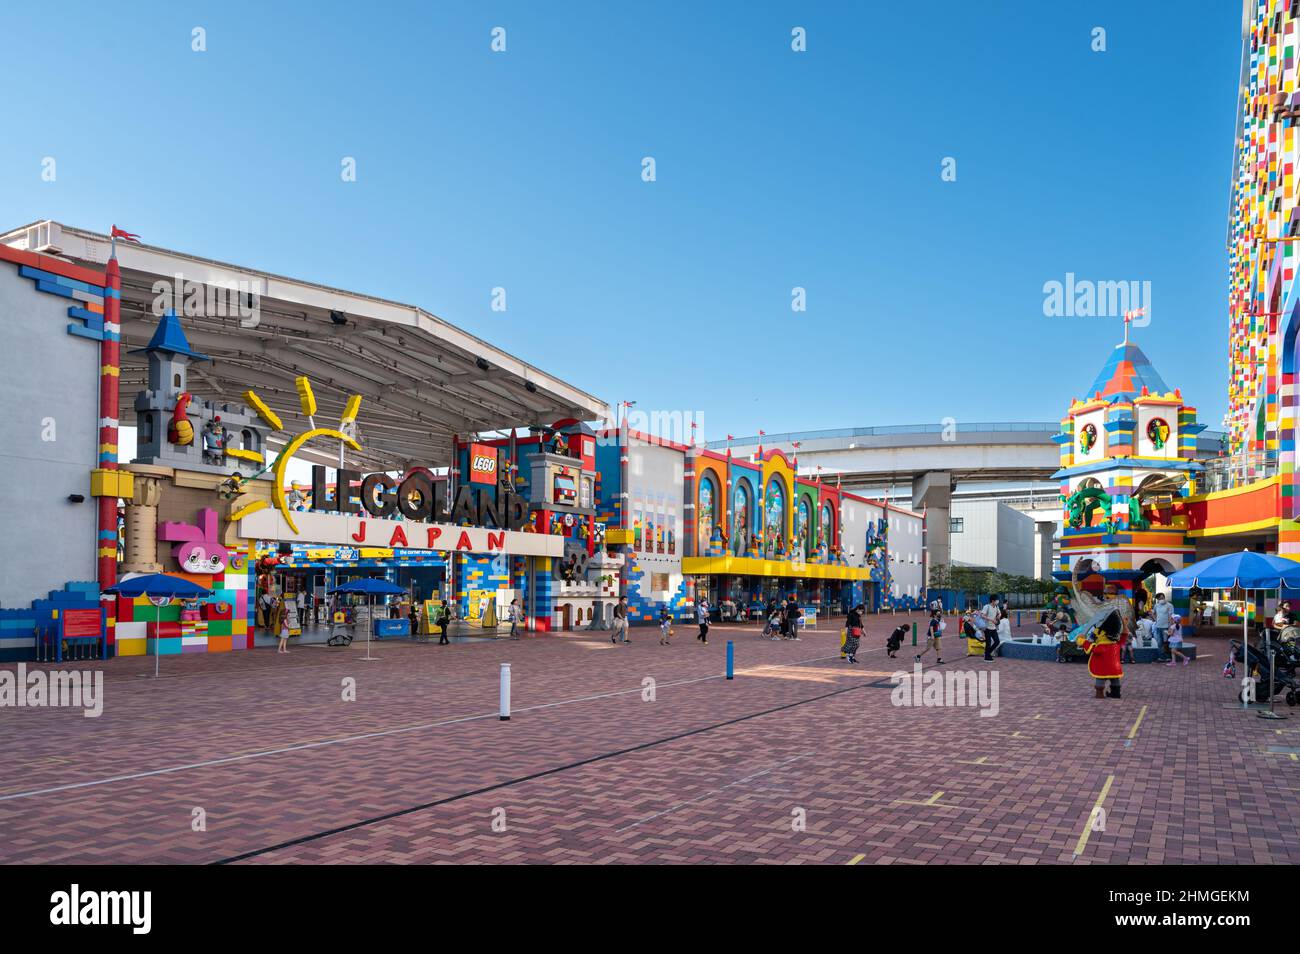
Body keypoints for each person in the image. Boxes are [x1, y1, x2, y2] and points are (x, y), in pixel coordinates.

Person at [1079, 608, 1127, 698]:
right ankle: (1115, 693)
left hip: (1102, 667)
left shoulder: (1102, 646)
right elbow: (1124, 635)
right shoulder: (1116, 645)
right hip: (1115, 668)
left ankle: (1099, 694)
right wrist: (1124, 624)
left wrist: (1082, 641)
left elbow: (1093, 648)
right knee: (1115, 679)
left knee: (1100, 678)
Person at [1152, 592, 1173, 659]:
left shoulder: (1169, 605)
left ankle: (1167, 657)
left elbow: (1171, 616)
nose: (1161, 599)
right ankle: (1161, 657)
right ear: (1157, 599)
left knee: (1166, 642)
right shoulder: (1156, 605)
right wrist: (1156, 620)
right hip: (1158, 627)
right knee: (1159, 643)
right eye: (1159, 598)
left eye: (1162, 598)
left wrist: (1170, 627)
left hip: (1166, 627)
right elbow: (1153, 613)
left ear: (1164, 597)